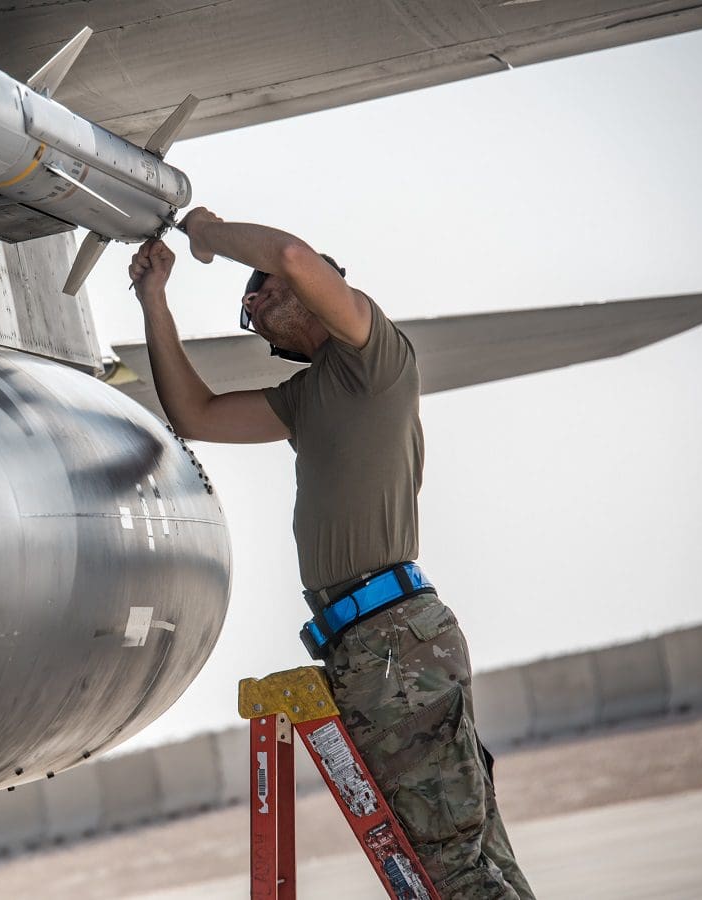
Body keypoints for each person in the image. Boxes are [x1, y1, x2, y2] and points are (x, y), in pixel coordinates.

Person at [127, 208, 534, 900]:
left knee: (453, 867)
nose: (253, 301)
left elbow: (288, 252)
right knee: (468, 857)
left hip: (392, 644)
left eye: (261, 290)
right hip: (371, 646)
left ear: (322, 290)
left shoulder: (373, 355)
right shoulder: (310, 396)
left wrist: (210, 235)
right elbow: (194, 413)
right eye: (248, 303)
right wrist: (154, 299)